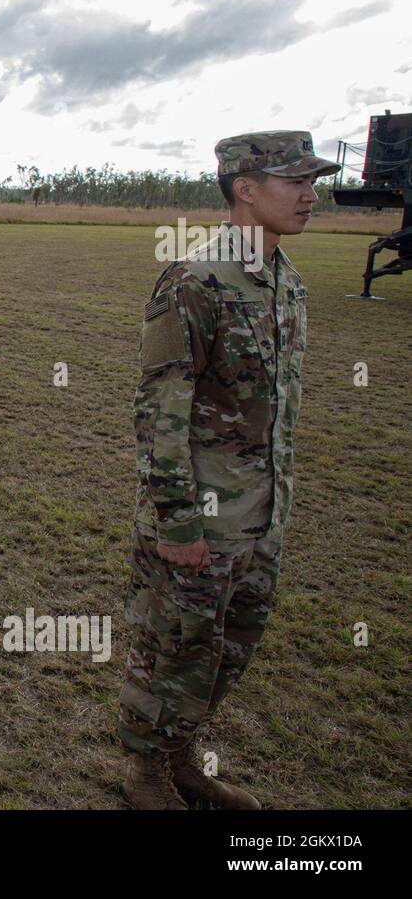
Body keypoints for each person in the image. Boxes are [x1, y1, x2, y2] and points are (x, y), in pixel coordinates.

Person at [118, 131, 339, 809]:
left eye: (312, 182)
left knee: (230, 649)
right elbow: (161, 410)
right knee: (176, 648)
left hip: (261, 516)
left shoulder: (286, 283)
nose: (310, 195)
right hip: (202, 519)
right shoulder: (195, 281)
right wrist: (178, 521)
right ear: (245, 189)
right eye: (295, 182)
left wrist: (274, 510)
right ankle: (146, 774)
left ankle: (181, 759)